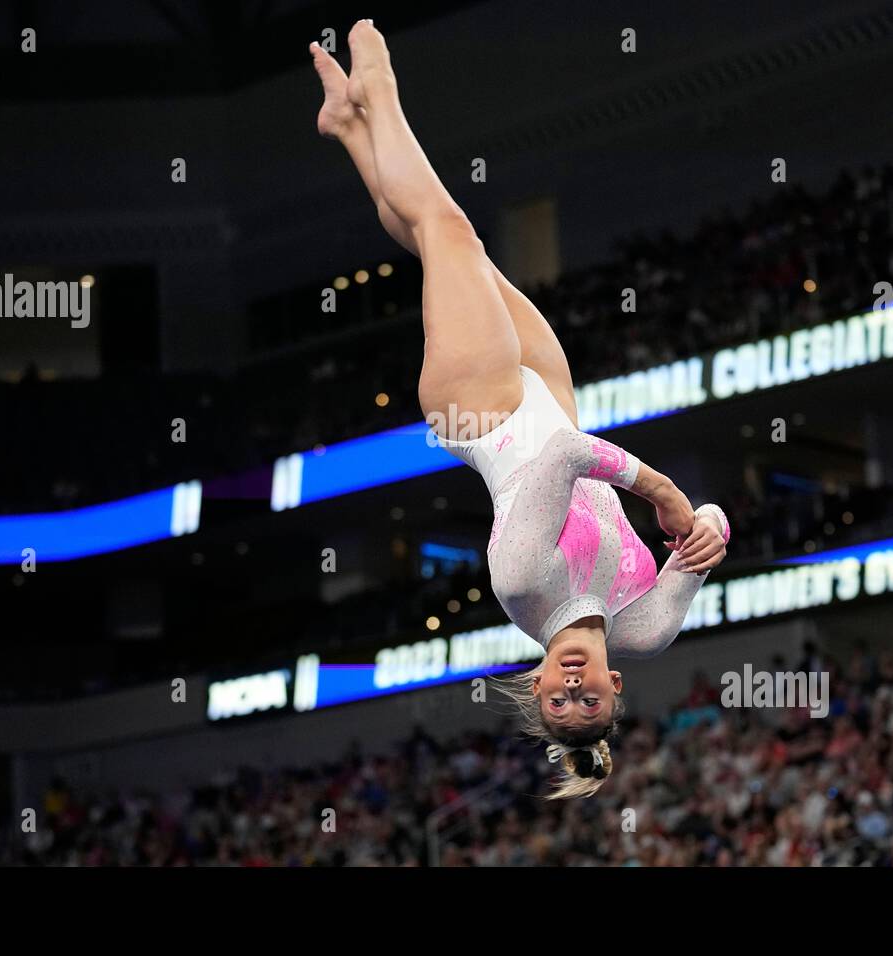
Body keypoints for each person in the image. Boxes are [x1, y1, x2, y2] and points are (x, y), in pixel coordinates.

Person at [310, 21, 727, 798]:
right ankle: (349, 129)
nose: (574, 687)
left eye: (560, 701)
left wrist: (664, 496)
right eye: (589, 700)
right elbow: (715, 522)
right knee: (446, 245)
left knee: (448, 229)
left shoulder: (522, 581)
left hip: (480, 409)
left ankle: (378, 97)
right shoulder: (647, 625)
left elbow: (567, 460)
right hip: (548, 392)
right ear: (616, 693)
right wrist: (704, 528)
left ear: (535, 688)